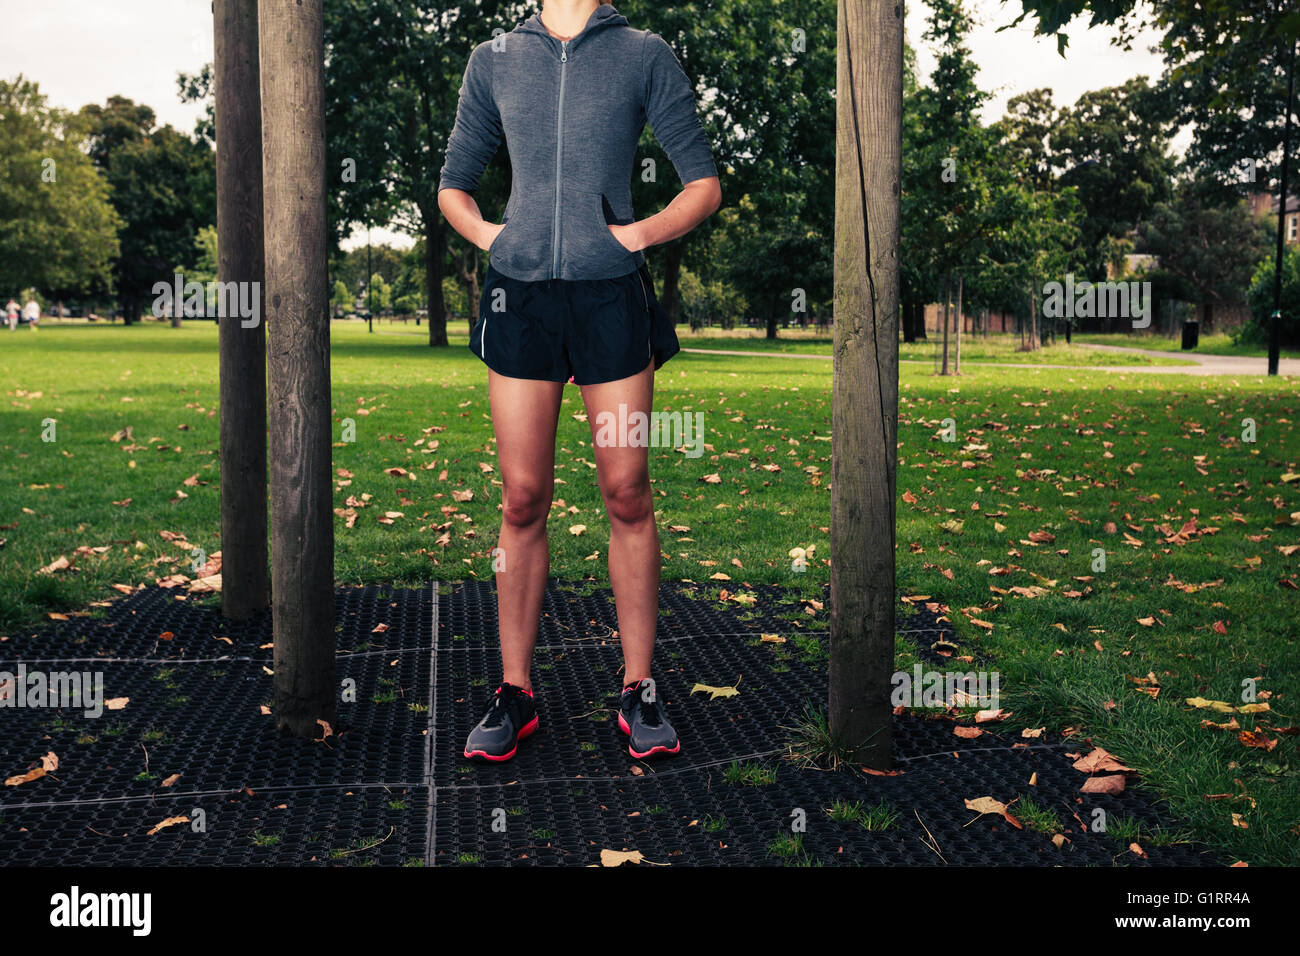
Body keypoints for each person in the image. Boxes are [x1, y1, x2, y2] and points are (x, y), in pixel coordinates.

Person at [438, 0, 721, 762]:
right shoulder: (492, 58)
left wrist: (635, 234)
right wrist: (498, 236)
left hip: (610, 300)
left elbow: (702, 183)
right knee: (522, 496)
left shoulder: (643, 53)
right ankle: (515, 692)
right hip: (520, 299)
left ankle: (637, 689)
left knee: (627, 490)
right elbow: (453, 185)